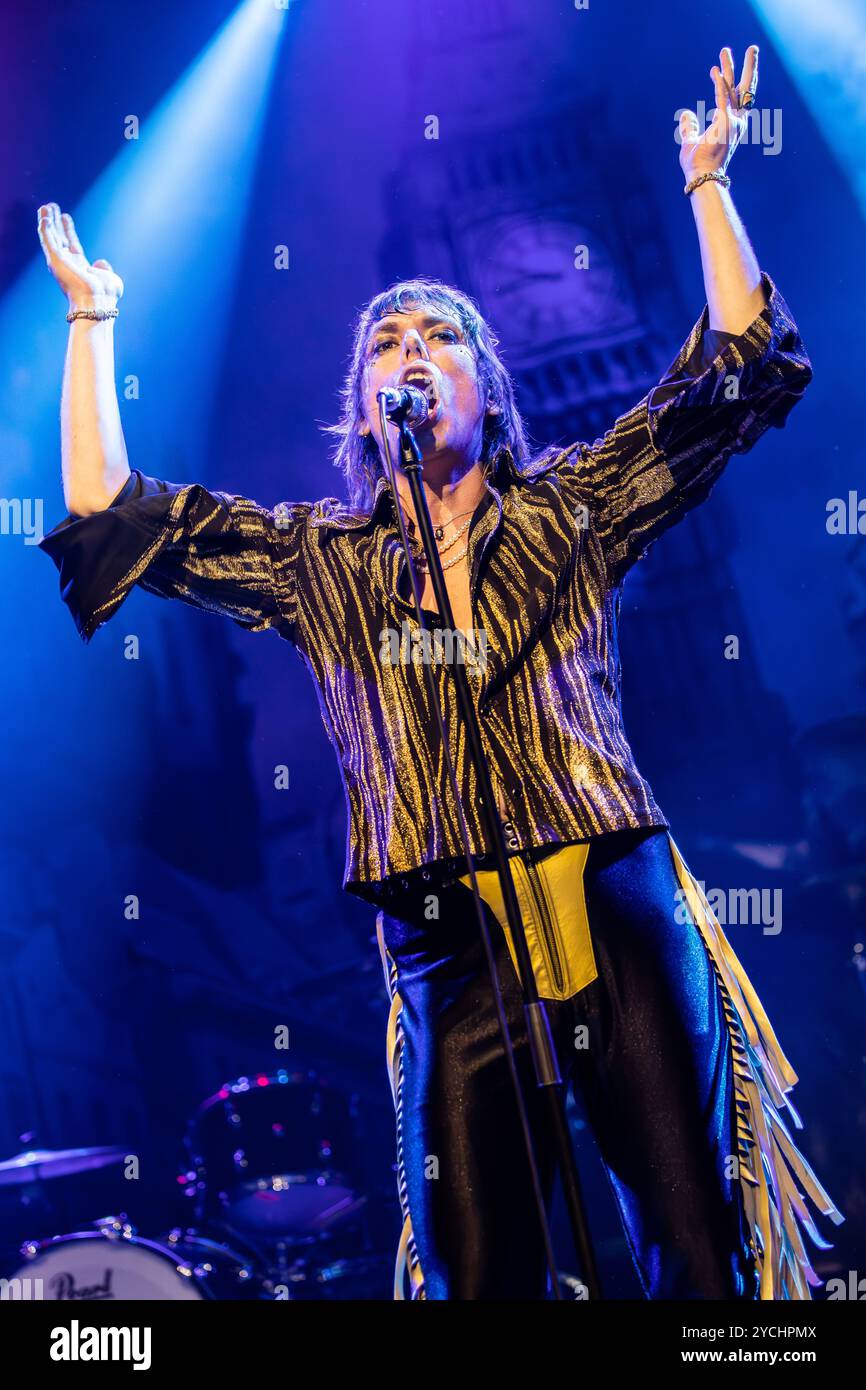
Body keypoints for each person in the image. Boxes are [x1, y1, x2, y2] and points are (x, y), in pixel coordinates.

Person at [37, 45, 842, 1299]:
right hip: (442, 943)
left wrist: (703, 184)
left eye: (436, 338)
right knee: (477, 1268)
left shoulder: (571, 508)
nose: (406, 355)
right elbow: (110, 510)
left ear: (483, 382)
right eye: (384, 346)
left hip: (607, 892)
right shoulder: (321, 563)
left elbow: (734, 365)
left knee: (694, 1247)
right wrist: (92, 323)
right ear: (365, 409)